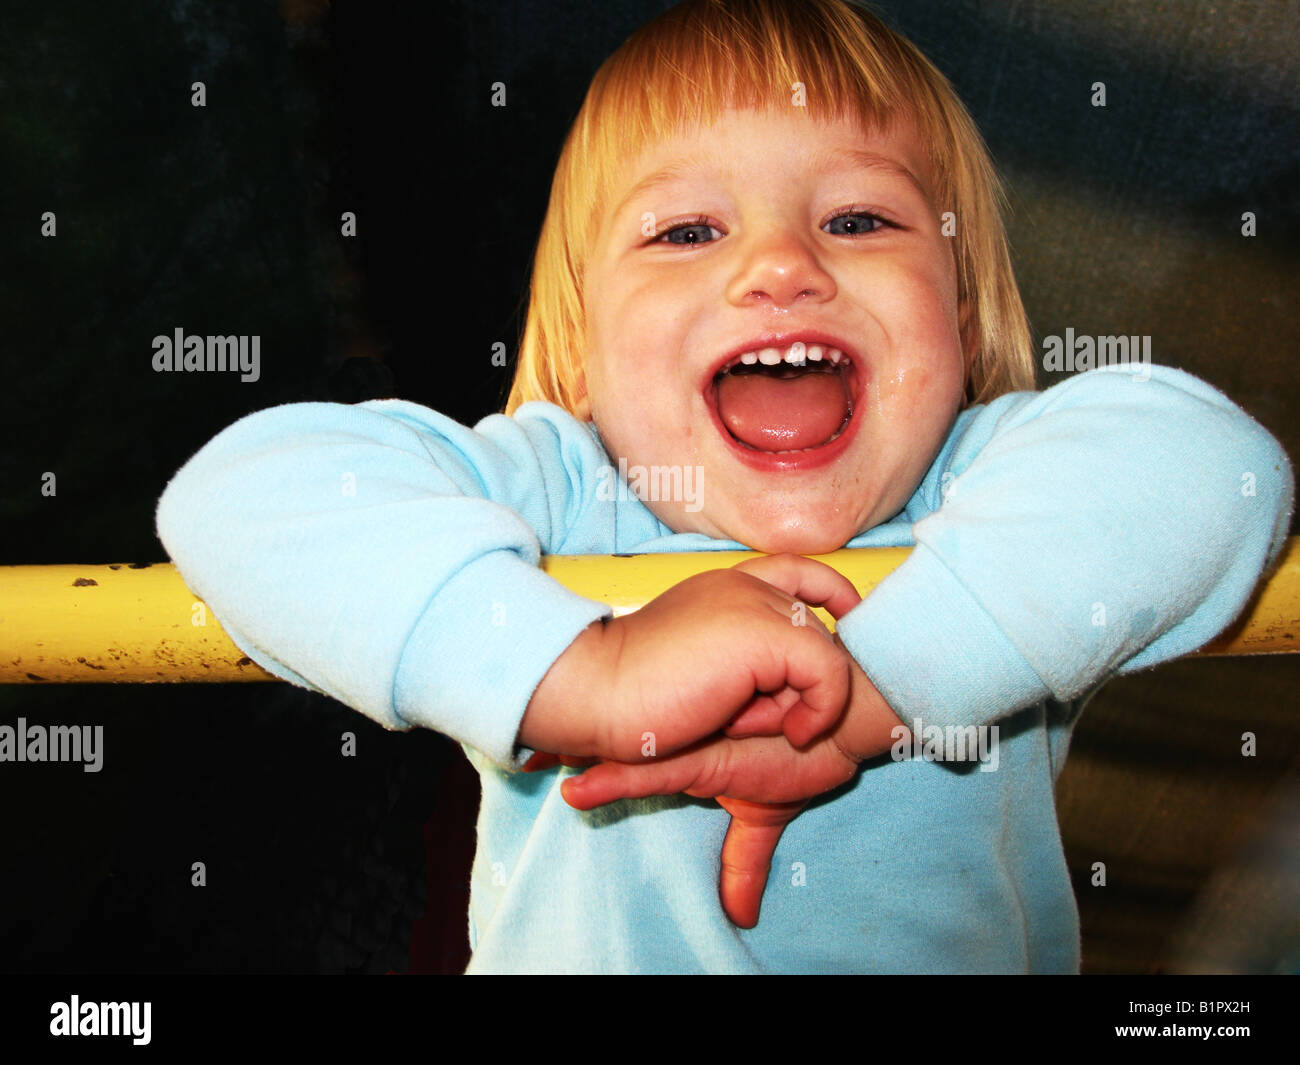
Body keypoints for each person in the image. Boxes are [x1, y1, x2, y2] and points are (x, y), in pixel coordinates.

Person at [156, 0, 1292, 972]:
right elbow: (238, 491)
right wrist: (584, 674)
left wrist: (883, 687)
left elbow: (1213, 465)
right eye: (686, 230)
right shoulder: (557, 489)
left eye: (858, 219)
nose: (781, 265)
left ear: (955, 315)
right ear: (586, 344)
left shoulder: (989, 499)